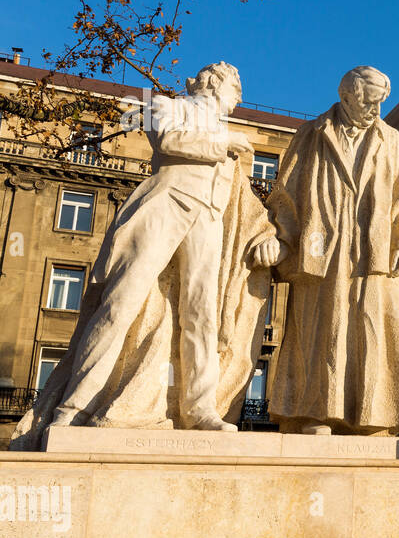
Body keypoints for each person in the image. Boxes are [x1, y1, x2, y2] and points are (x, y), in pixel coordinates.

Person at [44, 61, 279, 432]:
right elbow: (169, 140)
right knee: (121, 303)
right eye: (237, 89)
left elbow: (243, 200)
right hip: (165, 204)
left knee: (202, 315)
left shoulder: (225, 133)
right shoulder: (166, 106)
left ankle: (199, 409)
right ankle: (74, 406)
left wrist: (265, 233)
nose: (240, 99)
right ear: (214, 84)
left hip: (208, 219)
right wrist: (223, 142)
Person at [267, 66, 399, 438]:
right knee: (321, 331)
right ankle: (316, 415)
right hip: (322, 249)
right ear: (347, 95)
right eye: (370, 100)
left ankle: (398, 416)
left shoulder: (391, 139)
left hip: (374, 250)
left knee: (387, 328)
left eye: (382, 101)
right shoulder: (311, 135)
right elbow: (285, 193)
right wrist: (284, 239)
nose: (377, 109)